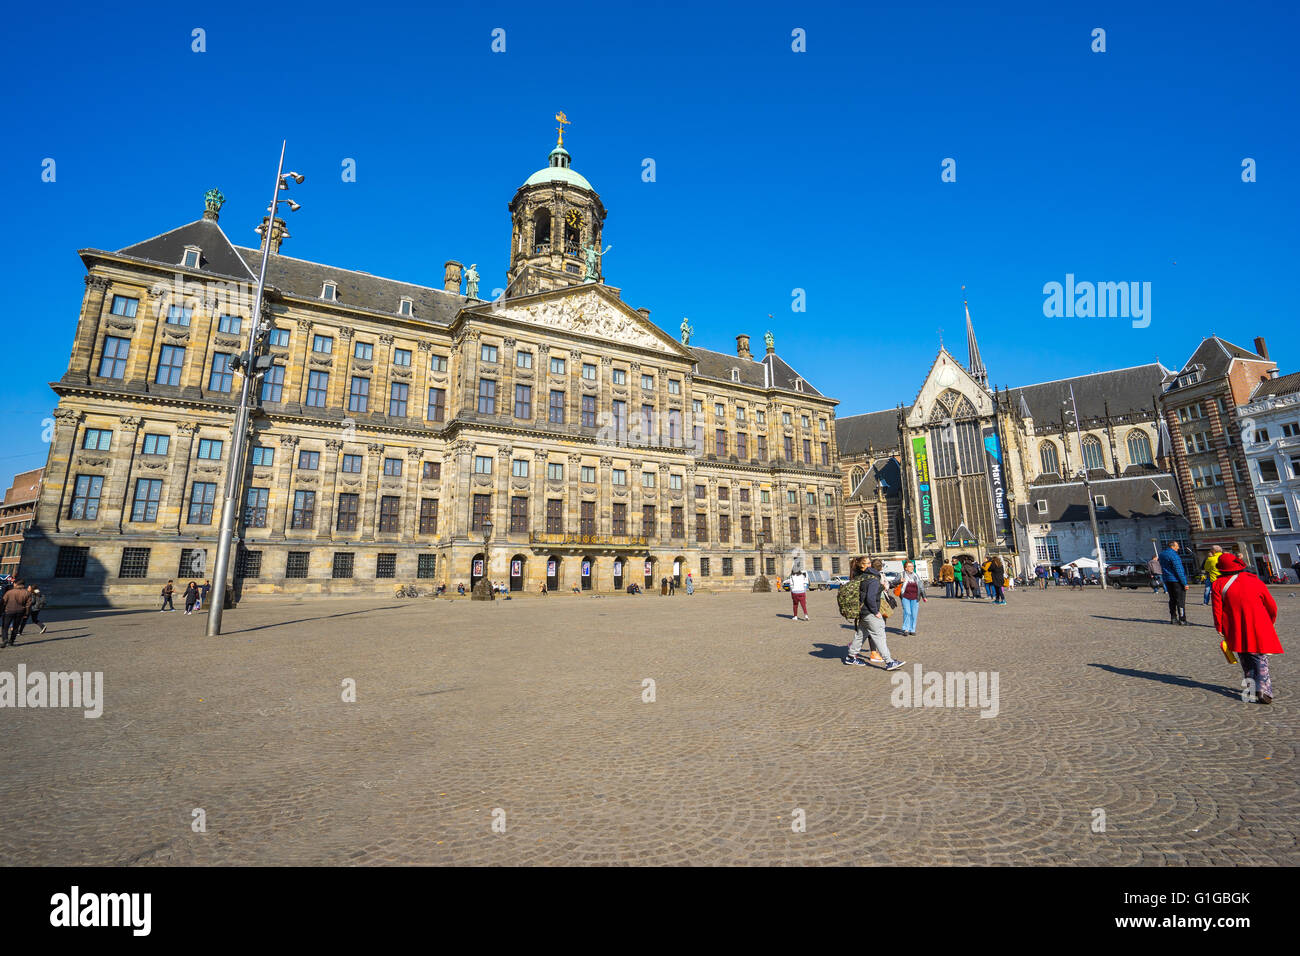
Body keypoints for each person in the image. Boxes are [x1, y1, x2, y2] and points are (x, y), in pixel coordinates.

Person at [1212, 552, 1284, 704]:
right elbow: (1271, 605)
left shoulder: (1218, 584)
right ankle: (1264, 690)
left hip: (1235, 626)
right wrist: (1270, 621)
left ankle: (1251, 690)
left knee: (1245, 658)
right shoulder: (1255, 581)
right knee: (1260, 658)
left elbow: (1217, 608)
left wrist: (1219, 626)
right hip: (1259, 624)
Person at [843, 557, 904, 670]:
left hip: (861, 611)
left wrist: (881, 587)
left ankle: (851, 657)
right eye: (868, 562)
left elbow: (866, 592)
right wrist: (876, 612)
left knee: (861, 635)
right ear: (864, 565)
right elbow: (870, 597)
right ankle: (889, 661)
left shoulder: (860, 576)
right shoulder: (873, 578)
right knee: (880, 636)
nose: (871, 564)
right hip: (870, 612)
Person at [1158, 540, 1188, 624]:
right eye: (1177, 546)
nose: (1178, 548)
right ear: (1173, 546)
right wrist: (1184, 583)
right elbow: (1179, 569)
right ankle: (1182, 619)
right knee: (1180, 600)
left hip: (1167, 579)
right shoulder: (1174, 555)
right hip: (1176, 580)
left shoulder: (1162, 554)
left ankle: (1173, 617)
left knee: (1172, 599)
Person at [898, 560, 927, 635]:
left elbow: (921, 586)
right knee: (907, 612)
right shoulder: (902, 574)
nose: (912, 568)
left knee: (914, 613)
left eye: (912, 566)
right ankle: (906, 629)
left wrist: (924, 596)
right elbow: (894, 582)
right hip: (905, 596)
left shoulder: (916, 575)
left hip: (915, 597)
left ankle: (912, 629)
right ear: (905, 568)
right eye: (910, 566)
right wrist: (899, 580)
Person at [2, 579, 31, 647]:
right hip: (20, 612)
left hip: (9, 611)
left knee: (5, 627)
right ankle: (11, 641)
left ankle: (5, 639)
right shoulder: (27, 593)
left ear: (15, 584)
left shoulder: (9, 592)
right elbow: (28, 605)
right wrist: (26, 613)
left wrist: (1, 611)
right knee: (15, 627)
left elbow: (3, 603)